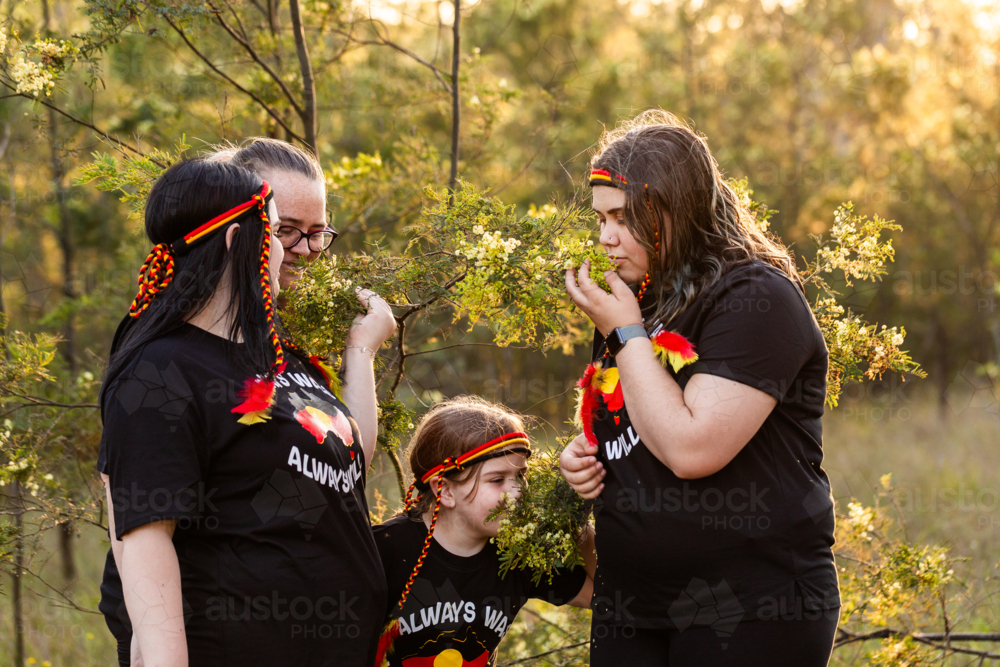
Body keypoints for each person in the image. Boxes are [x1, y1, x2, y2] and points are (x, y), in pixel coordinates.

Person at [97, 138, 395, 666]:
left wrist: (360, 352)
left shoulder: (282, 357)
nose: (298, 249)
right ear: (239, 239)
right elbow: (144, 535)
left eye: (315, 233)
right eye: (280, 228)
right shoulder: (163, 369)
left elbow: (340, 474)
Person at [560, 110, 840, 666]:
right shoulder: (634, 304)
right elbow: (632, 428)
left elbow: (692, 448)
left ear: (672, 210)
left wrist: (624, 332)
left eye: (622, 217)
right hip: (632, 607)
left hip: (753, 607)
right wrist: (583, 458)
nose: (605, 238)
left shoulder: (755, 297)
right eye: (600, 220)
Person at [373, 396, 595, 667]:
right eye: (497, 479)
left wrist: (577, 530)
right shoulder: (385, 550)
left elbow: (608, 595)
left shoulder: (517, 553)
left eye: (521, 476)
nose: (518, 492)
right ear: (444, 490)